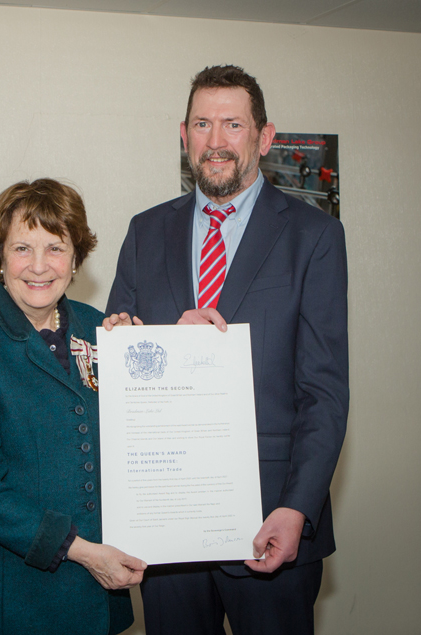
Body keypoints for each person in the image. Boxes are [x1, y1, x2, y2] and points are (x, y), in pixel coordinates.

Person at [106, 65, 348, 635]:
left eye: (232, 124)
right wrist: (122, 343)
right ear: (183, 134)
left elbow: (325, 391)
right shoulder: (144, 231)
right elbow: (116, 367)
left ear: (264, 137)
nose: (216, 141)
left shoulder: (313, 237)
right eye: (202, 124)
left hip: (271, 524)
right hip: (165, 526)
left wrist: (297, 509)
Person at [0, 179, 147, 635]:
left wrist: (156, 357)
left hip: (89, 587)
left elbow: (134, 443)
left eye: (55, 248)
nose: (39, 266)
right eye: (21, 248)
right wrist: (83, 550)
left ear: (76, 258)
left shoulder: (104, 333)